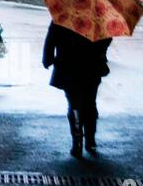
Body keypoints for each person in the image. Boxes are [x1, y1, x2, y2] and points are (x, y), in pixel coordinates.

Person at [42, 21, 111, 157]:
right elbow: (107, 38)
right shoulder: (97, 17)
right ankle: (90, 139)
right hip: (92, 66)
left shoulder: (63, 16)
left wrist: (48, 59)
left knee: (73, 103)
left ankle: (77, 141)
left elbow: (51, 38)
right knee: (90, 102)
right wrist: (100, 51)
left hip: (68, 67)